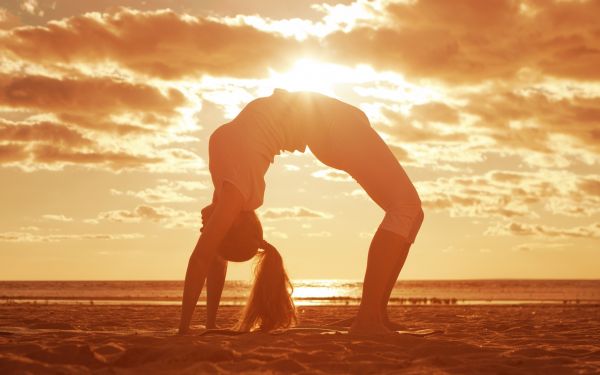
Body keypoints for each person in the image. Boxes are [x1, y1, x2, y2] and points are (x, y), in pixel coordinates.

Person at [178, 88, 424, 335]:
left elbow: (210, 255)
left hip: (331, 127)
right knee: (406, 207)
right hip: (335, 128)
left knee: (413, 214)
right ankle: (368, 318)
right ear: (231, 224)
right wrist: (184, 330)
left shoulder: (228, 184)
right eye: (213, 231)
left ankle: (376, 314)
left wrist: (207, 325)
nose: (205, 229)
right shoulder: (235, 193)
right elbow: (204, 256)